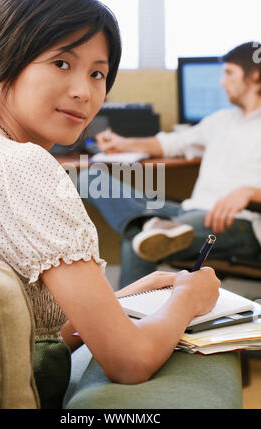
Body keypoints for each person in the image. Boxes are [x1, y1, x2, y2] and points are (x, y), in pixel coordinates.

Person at [0, 0, 220, 401]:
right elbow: (129, 360)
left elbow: (13, 335)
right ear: (1, 62)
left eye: (97, 73)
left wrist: (121, 299)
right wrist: (189, 299)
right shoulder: (23, 165)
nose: (84, 91)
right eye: (62, 63)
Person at [79, 42, 261, 288]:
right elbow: (173, 143)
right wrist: (121, 143)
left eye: (229, 73)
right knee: (88, 180)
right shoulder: (221, 121)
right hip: (188, 211)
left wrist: (250, 192)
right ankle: (149, 223)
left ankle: (129, 321)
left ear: (255, 76)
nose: (222, 82)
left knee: (138, 239)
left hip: (239, 223)